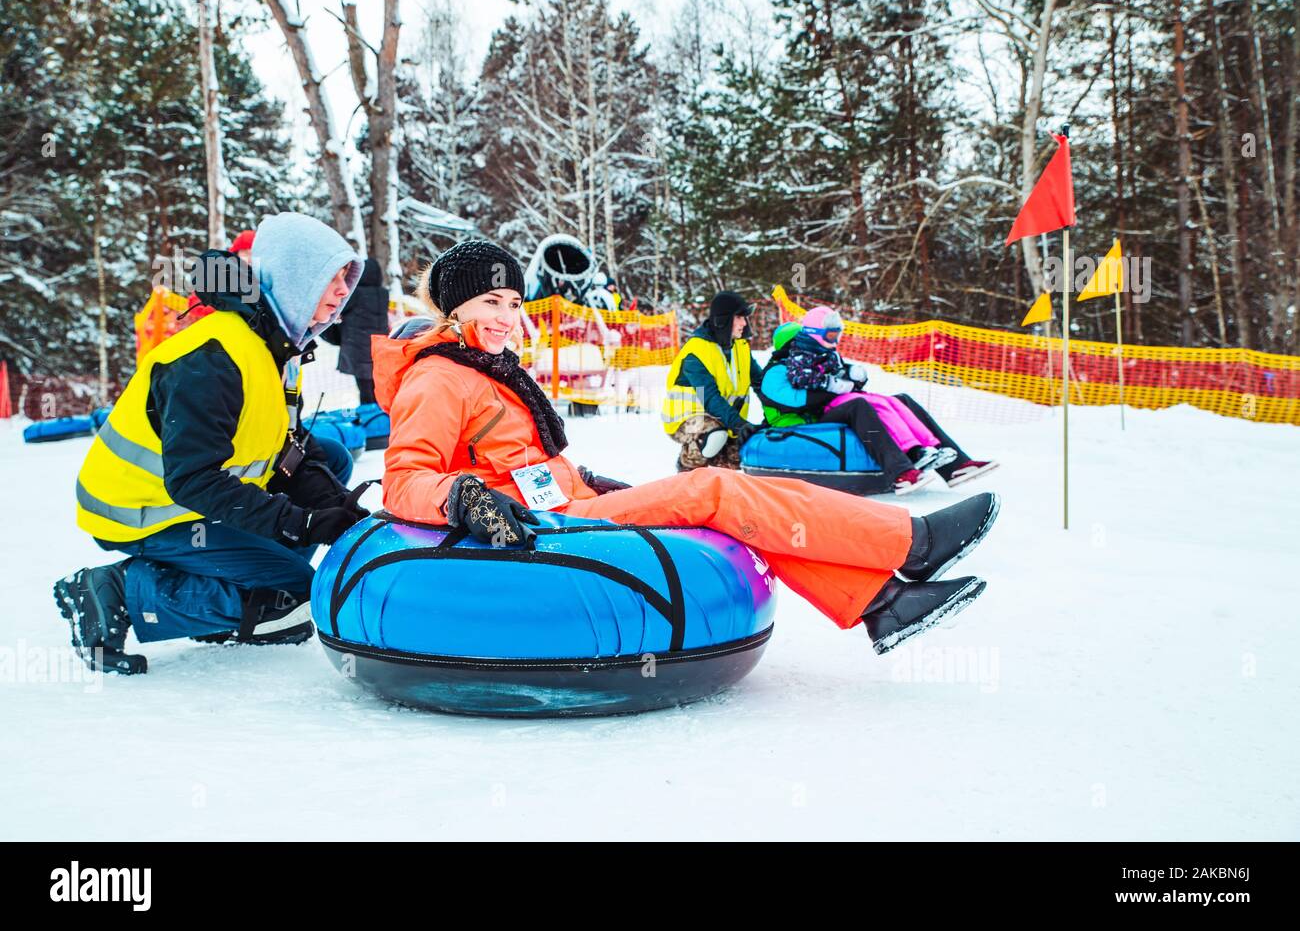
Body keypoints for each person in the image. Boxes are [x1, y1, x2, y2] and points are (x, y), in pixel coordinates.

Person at [373, 240, 1001, 656]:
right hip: (533, 525)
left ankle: (885, 602)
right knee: (715, 487)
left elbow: (515, 456)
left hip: (564, 500)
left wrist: (586, 477)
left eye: (512, 302)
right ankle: (909, 543)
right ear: (457, 308)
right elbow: (403, 479)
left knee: (744, 501)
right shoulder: (439, 376)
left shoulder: (489, 367)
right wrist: (461, 496)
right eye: (491, 302)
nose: (508, 316)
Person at [55, 213, 370, 674]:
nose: (344, 291)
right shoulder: (213, 358)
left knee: (333, 459)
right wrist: (301, 525)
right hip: (143, 509)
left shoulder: (276, 347)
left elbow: (291, 449)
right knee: (297, 597)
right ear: (294, 280)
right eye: (331, 277)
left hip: (190, 499)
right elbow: (195, 480)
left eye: (347, 278)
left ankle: (252, 583)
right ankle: (118, 591)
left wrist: (341, 513)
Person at [759, 309, 999, 494]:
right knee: (858, 406)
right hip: (801, 423)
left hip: (824, 412)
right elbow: (797, 402)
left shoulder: (821, 359)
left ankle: (956, 465)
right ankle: (902, 471)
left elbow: (838, 377)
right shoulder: (776, 373)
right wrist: (836, 386)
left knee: (901, 400)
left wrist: (852, 378)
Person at [662, 290, 765, 471]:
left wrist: (779, 412)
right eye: (739, 317)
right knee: (714, 438)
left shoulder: (740, 347)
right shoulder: (696, 351)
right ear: (724, 320)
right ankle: (687, 467)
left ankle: (718, 491)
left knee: (739, 454)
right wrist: (741, 425)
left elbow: (761, 383)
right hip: (686, 418)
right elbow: (710, 398)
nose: (744, 323)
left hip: (722, 418)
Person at [320, 256, 390, 405]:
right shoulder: (383, 294)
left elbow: (339, 310)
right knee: (375, 389)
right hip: (377, 351)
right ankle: (377, 419)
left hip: (358, 350)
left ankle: (370, 421)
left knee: (365, 391)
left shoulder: (356, 294)